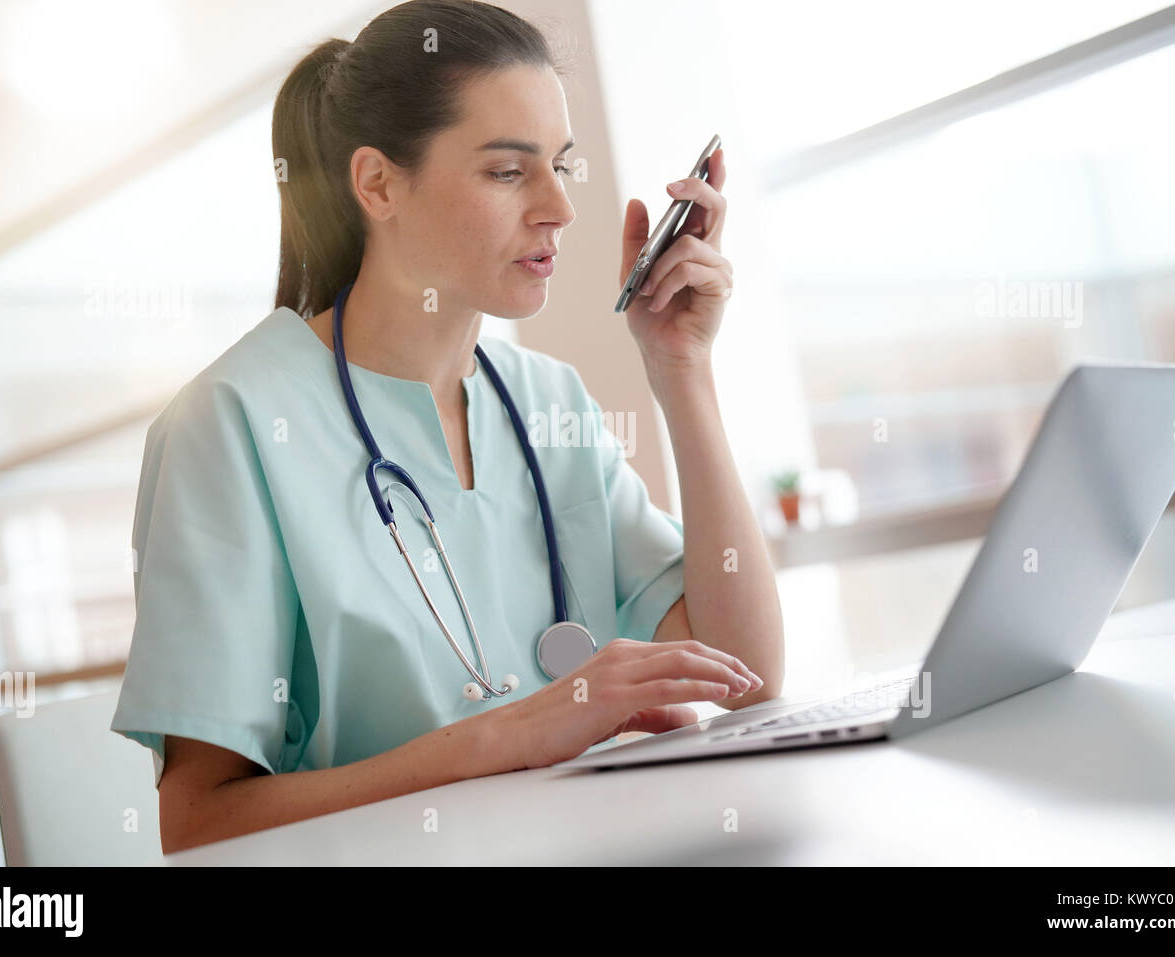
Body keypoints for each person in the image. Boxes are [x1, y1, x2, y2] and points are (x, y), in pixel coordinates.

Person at [110, 0, 784, 854]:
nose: (559, 208)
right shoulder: (231, 424)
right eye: (508, 172)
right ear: (379, 184)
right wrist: (500, 737)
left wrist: (683, 373)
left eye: (561, 165)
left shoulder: (551, 403)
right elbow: (198, 824)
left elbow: (745, 675)